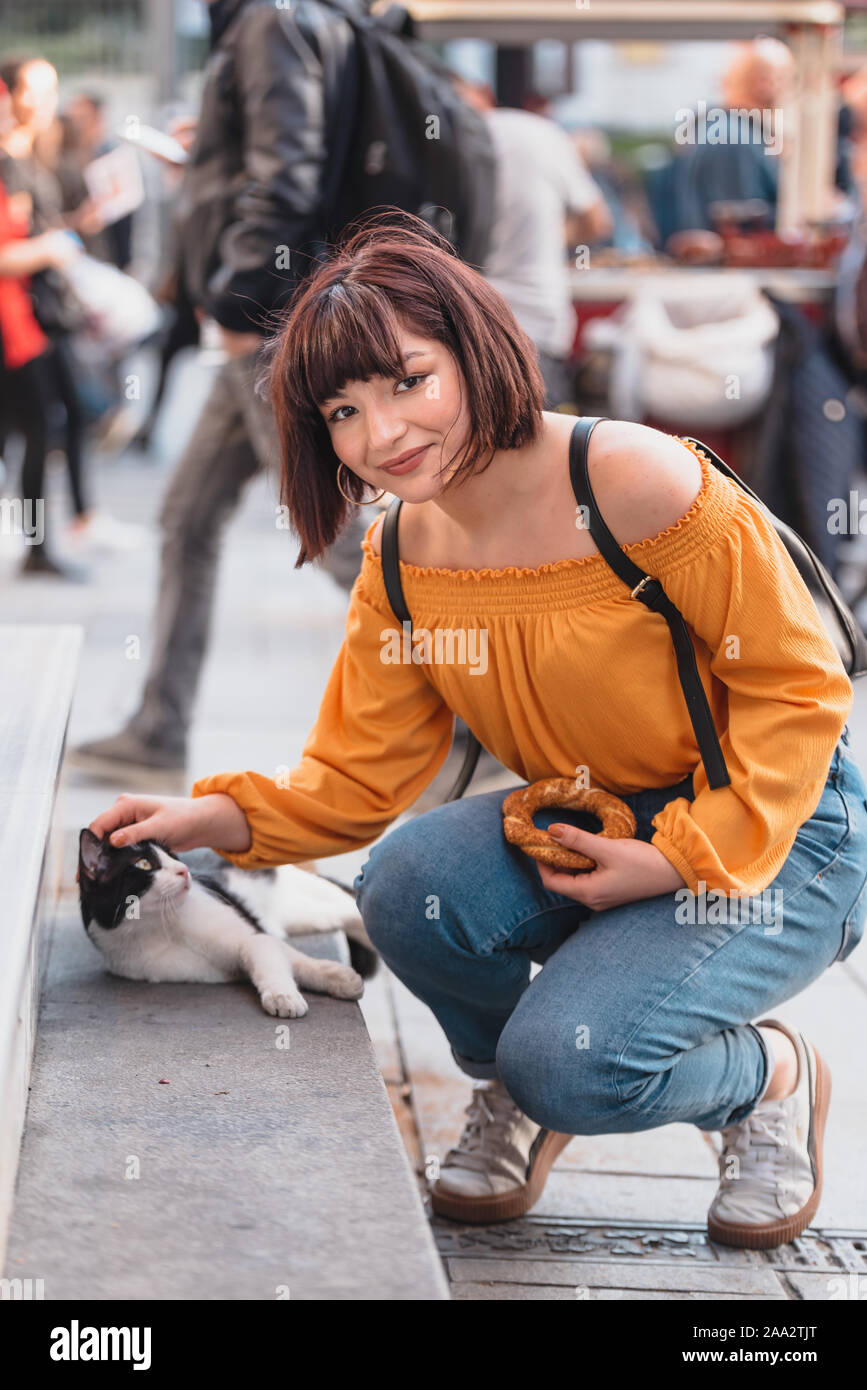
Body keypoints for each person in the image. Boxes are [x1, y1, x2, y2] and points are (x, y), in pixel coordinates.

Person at [88, 214, 867, 1247]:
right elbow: (357, 777)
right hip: (597, 820)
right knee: (406, 884)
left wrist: (676, 857)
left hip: (784, 833)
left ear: (475, 344)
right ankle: (517, 1085)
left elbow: (797, 688)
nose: (384, 434)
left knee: (576, 1062)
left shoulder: (633, 480)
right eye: (345, 410)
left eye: (410, 380)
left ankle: (766, 1078)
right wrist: (206, 816)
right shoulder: (403, 551)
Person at [70, 0, 374, 781]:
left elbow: (290, 171)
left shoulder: (271, 20)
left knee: (336, 532)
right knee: (187, 517)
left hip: (261, 324)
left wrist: (241, 296)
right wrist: (208, 157)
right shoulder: (301, 18)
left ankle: (467, 722)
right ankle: (158, 728)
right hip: (262, 317)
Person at [455, 77, 612, 410]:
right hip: (534, 328)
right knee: (544, 450)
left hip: (459, 333)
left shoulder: (429, 143)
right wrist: (546, 239)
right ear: (484, 92)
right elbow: (597, 222)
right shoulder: (536, 132)